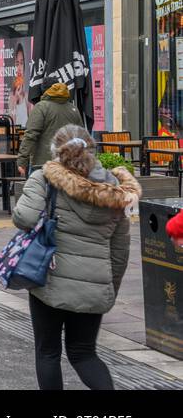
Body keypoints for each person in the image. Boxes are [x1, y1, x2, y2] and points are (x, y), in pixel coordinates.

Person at [12, 124, 140, 391]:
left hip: (50, 278)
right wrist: (109, 287)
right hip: (95, 283)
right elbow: (120, 248)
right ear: (92, 150)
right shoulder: (114, 187)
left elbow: (23, 216)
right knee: (84, 353)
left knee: (48, 352)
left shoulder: (44, 178)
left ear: (55, 150)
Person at [18, 76, 84, 175]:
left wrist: (22, 161)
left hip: (43, 164)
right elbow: (81, 137)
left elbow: (30, 135)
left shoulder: (41, 107)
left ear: (44, 91)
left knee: (38, 190)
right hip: (68, 164)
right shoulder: (73, 109)